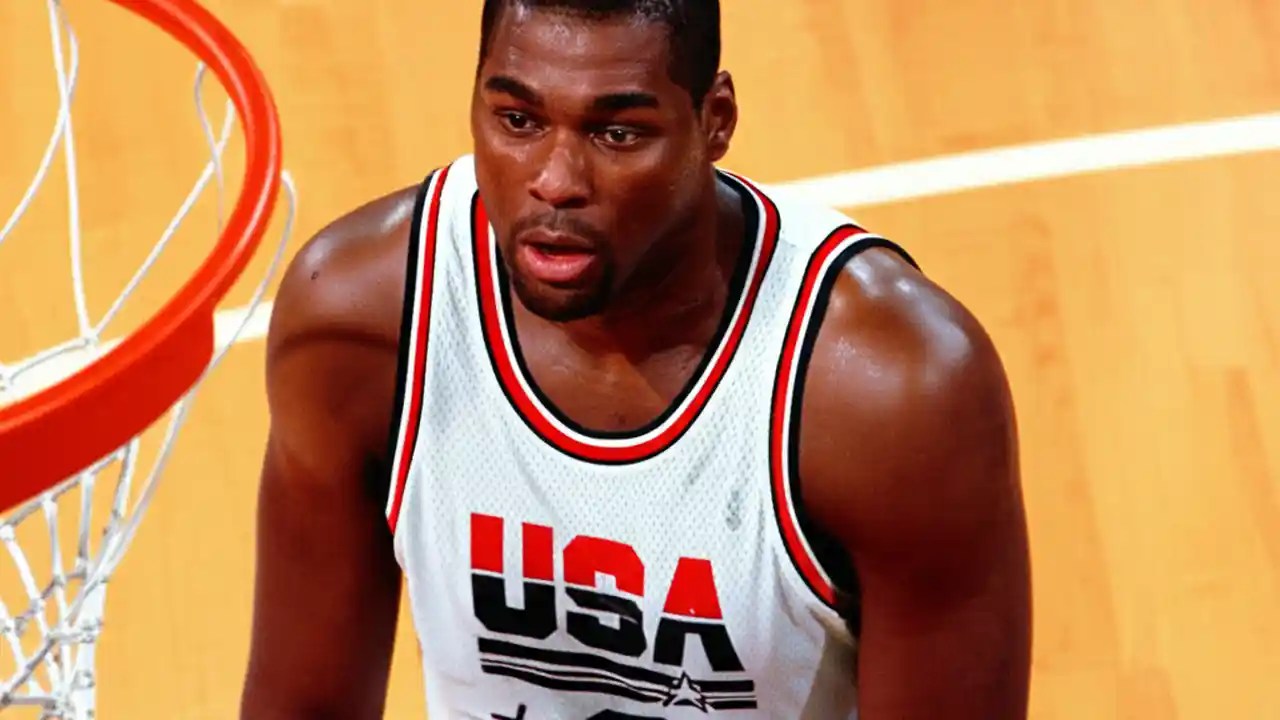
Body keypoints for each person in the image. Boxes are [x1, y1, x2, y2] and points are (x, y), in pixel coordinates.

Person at [239, 1, 1033, 718]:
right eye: (517, 120)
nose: (554, 181)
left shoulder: (889, 392)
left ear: (714, 120)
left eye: (616, 133)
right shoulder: (363, 321)